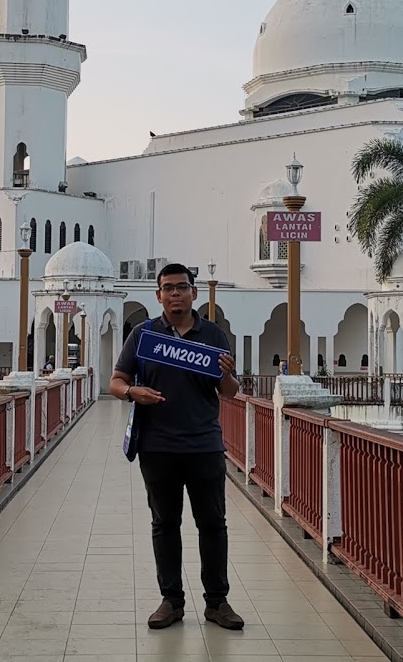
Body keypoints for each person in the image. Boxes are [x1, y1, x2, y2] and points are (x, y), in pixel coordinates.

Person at [110, 262, 244, 631]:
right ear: (159, 295)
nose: (174, 294)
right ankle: (171, 601)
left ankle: (217, 603)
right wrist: (132, 392)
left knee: (213, 525)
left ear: (193, 293)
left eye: (181, 287)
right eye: (167, 288)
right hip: (158, 447)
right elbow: (116, 381)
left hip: (204, 446)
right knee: (165, 524)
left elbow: (229, 392)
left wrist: (228, 373)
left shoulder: (213, 335)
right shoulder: (144, 335)